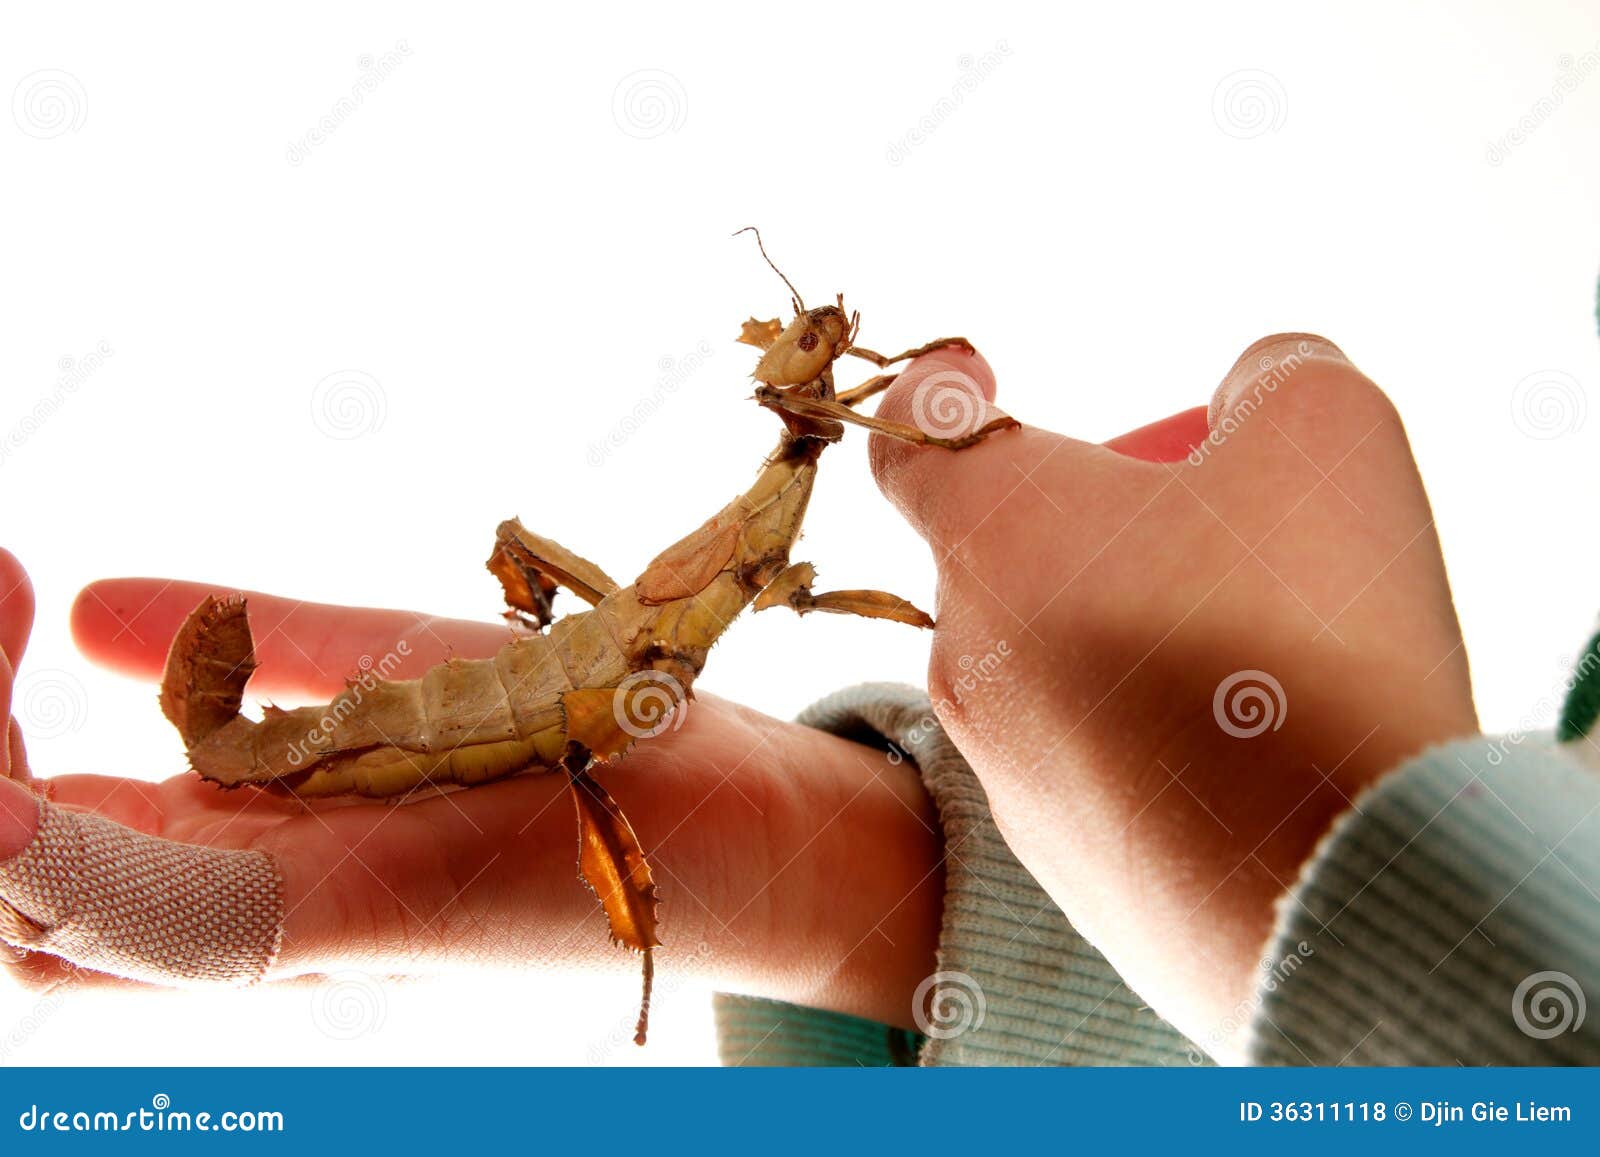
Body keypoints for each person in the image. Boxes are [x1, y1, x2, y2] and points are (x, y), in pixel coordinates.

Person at [2, 335, 1597, 1065]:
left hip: (588, 670)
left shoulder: (756, 538)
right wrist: (854, 875)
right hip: (544, 685)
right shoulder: (736, 560)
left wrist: (1320, 865)